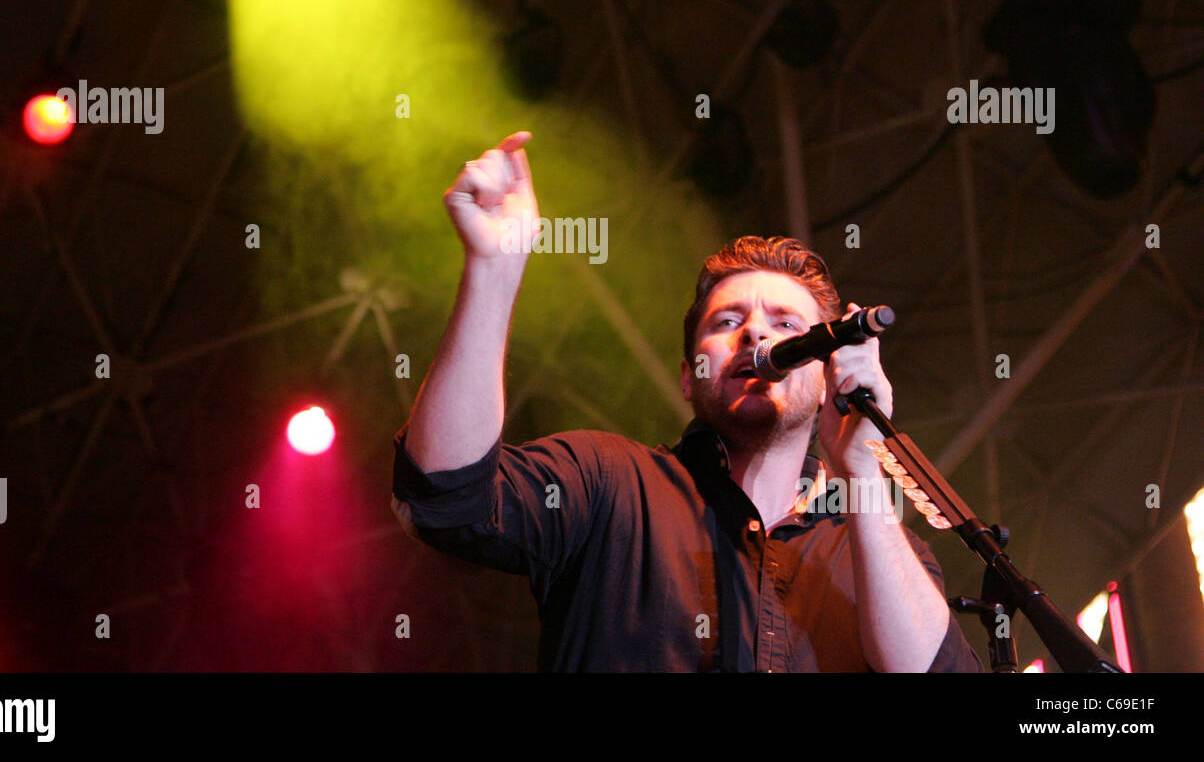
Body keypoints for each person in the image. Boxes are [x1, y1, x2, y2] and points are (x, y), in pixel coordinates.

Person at [391, 131, 982, 672]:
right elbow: (444, 499)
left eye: (784, 323)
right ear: (687, 376)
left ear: (826, 377)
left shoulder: (874, 547)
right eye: (728, 321)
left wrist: (861, 471)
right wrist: (493, 270)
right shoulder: (609, 482)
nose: (756, 335)